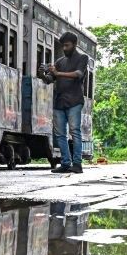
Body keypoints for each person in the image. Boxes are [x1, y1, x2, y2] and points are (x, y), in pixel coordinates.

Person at [38, 31, 88, 173]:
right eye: (63, 46)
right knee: (60, 134)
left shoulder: (82, 58)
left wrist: (58, 73)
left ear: (74, 44)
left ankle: (77, 164)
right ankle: (66, 163)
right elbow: (49, 80)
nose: (65, 48)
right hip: (59, 102)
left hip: (75, 101)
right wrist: (42, 74)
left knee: (75, 132)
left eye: (67, 45)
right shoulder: (60, 62)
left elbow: (78, 74)